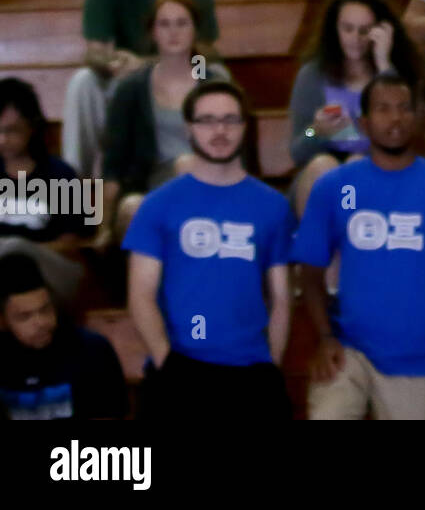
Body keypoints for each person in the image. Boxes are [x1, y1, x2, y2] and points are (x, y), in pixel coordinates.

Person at [292, 72, 425, 420]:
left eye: (403, 108)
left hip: (416, 358)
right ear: (365, 123)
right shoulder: (334, 187)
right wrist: (324, 336)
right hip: (347, 350)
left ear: (417, 118)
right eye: (383, 110)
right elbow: (308, 272)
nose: (395, 118)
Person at [124, 80, 294, 420]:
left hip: (252, 373)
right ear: (189, 129)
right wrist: (166, 361)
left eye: (231, 120)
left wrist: (270, 366)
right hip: (180, 368)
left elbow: (281, 297)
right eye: (207, 120)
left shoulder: (273, 205)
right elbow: (140, 295)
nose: (220, 130)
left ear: (245, 127)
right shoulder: (158, 205)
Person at [61, 0, 219, 178]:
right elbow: (93, 52)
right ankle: (75, 181)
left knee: (219, 75)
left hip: (181, 71)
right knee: (81, 83)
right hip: (121, 76)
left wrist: (144, 64)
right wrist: (117, 62)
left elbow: (209, 50)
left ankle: (212, 173)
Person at [100, 0, 230, 243]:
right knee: (133, 207)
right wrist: (104, 226)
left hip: (209, 183)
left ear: (195, 30)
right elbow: (112, 165)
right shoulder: (132, 88)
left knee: (186, 164)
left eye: (182, 23)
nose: (174, 32)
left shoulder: (213, 83)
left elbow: (235, 147)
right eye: (164, 24)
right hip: (150, 187)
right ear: (152, 32)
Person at [288, 0, 423, 216]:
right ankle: (322, 249)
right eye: (348, 29)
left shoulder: (398, 74)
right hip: (324, 169)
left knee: (357, 165)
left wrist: (383, 66)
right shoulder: (313, 75)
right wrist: (317, 131)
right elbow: (298, 149)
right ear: (335, 30)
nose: (356, 38)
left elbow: (407, 141)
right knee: (324, 166)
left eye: (364, 30)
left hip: (381, 169)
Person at [0, 254, 127, 420]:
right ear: (2, 321)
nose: (41, 322)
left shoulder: (93, 350)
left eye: (45, 310)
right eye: (25, 316)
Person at [0, 78, 88, 304]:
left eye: (12, 131)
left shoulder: (62, 174)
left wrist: (23, 253)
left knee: (14, 247)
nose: (2, 140)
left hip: (50, 272)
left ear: (32, 127)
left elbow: (71, 243)